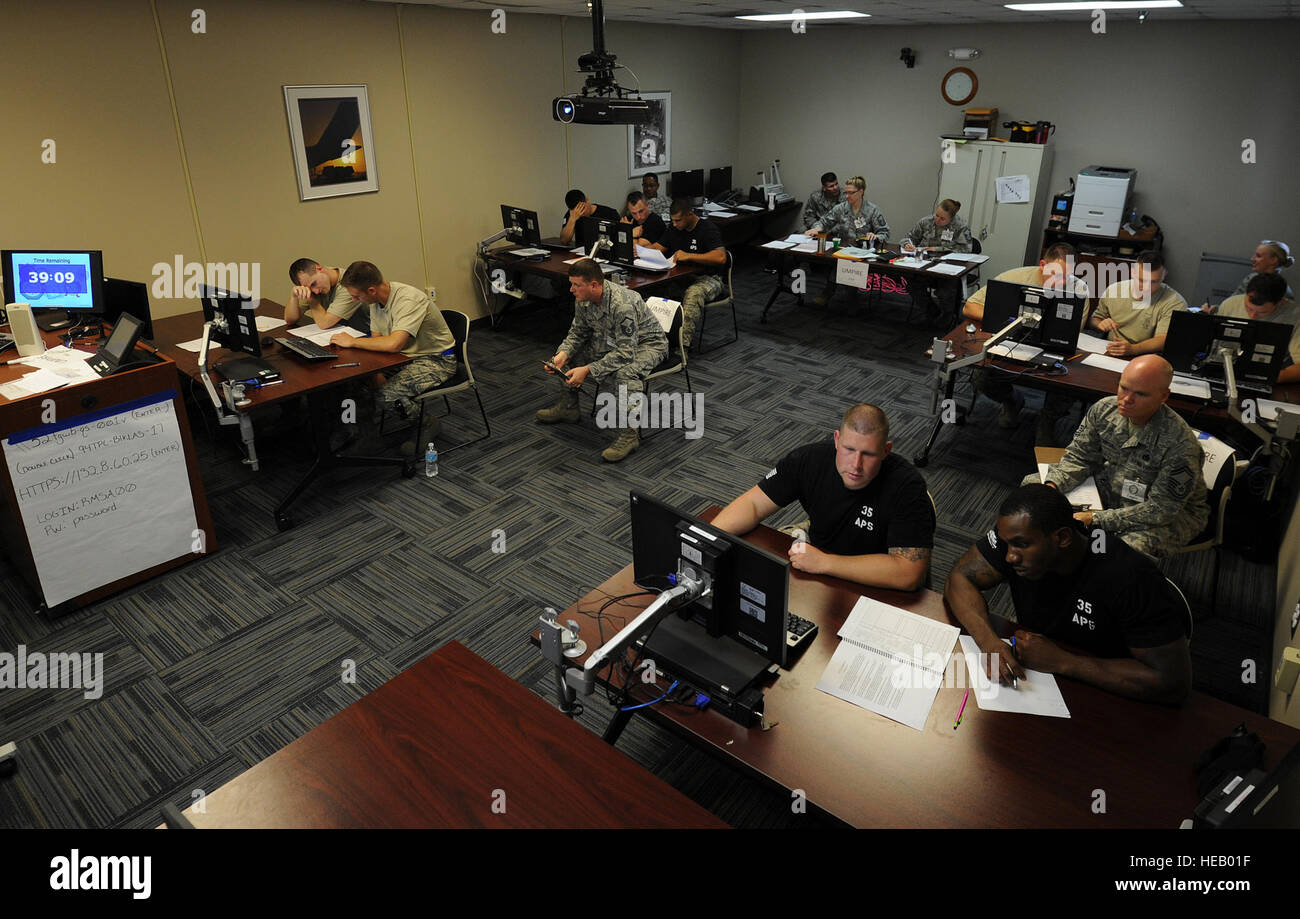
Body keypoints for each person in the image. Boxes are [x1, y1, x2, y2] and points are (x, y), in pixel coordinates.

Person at [944, 484, 1191, 705]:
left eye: (1021, 545)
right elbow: (960, 577)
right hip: (1040, 685)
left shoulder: (1128, 576)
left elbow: (1171, 682)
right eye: (1006, 544)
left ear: (1062, 538)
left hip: (1111, 697)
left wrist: (1064, 662)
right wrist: (989, 642)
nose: (1010, 556)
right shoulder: (1014, 537)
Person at [712, 404, 934, 591]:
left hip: (874, 578)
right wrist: (706, 536)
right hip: (819, 558)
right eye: (848, 449)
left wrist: (825, 563)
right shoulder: (809, 460)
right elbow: (753, 504)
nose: (856, 465)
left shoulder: (907, 486)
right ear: (837, 439)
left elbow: (908, 573)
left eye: (868, 454)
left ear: (886, 450)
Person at [1032, 354, 1208, 560]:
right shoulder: (1104, 410)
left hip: (1169, 515)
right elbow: (1080, 457)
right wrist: (1053, 486)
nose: (1126, 400)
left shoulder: (1180, 445)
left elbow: (1161, 510)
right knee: (1034, 489)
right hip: (1114, 485)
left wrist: (1096, 519)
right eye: (1123, 388)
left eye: (1140, 394)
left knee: (1120, 552)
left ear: (1163, 396)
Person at [536, 258, 667, 463]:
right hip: (612, 339)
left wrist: (587, 369)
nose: (571, 289)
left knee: (626, 373)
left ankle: (629, 435)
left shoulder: (621, 304)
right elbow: (578, 333)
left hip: (647, 344)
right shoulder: (583, 298)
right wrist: (562, 355)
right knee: (567, 357)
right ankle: (569, 408)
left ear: (594, 285)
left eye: (576, 285)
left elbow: (626, 353)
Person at [331, 261, 457, 455]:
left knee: (386, 395)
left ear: (371, 290)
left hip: (436, 360)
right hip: (401, 357)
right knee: (352, 382)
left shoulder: (408, 300)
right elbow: (378, 340)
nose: (355, 300)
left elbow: (393, 344)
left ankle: (425, 423)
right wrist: (376, 370)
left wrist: (353, 342)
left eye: (356, 296)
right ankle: (362, 435)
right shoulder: (375, 301)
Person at [962, 243, 1092, 430]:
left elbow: (1072, 332)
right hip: (1012, 341)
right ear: (1042, 265)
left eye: (1067, 276)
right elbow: (969, 306)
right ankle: (1012, 402)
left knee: (1067, 385)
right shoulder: (1015, 278)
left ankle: (1046, 425)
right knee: (981, 378)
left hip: (1052, 348)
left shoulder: (1079, 289)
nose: (1062, 282)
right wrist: (1007, 322)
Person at [644, 199, 727, 349]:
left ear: (690, 214)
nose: (675, 224)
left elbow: (721, 257)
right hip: (681, 277)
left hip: (709, 279)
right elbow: (657, 248)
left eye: (678, 220)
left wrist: (689, 255)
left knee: (693, 294)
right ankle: (654, 341)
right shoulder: (674, 229)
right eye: (673, 220)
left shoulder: (707, 229)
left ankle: (682, 347)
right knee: (651, 291)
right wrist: (640, 250)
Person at [1087, 251, 1187, 358]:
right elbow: (1094, 319)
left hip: (1148, 356)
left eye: (1154, 282)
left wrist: (1133, 349)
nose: (1147, 287)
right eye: (1141, 280)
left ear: (1164, 276)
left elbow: (1163, 339)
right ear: (1133, 272)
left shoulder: (1175, 302)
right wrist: (1100, 324)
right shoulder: (1114, 290)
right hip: (1111, 349)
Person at [1212, 273, 1300, 383]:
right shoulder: (1230, 305)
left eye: (1262, 312)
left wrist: (1265, 380)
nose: (1252, 316)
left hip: (1271, 375)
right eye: (1248, 309)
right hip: (1227, 370)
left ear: (1280, 302)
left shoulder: (1295, 316)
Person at [905, 199, 973, 321]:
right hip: (925, 266)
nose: (937, 219)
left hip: (948, 269)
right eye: (937, 215)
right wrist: (907, 244)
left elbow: (966, 249)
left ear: (951, 218)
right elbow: (909, 238)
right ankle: (932, 312)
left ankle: (946, 319)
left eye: (942, 219)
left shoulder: (961, 226)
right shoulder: (926, 222)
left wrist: (938, 248)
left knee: (946, 291)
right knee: (912, 284)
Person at [284, 259, 369, 334]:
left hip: (366, 336)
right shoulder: (313, 284)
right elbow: (290, 320)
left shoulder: (349, 285)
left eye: (314, 284)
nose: (315, 291)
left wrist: (312, 300)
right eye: (309, 289)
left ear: (319, 268)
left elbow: (324, 324)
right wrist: (293, 296)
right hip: (339, 335)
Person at [807, 175, 889, 244]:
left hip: (864, 250)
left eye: (851, 193)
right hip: (844, 248)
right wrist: (816, 229)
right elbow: (824, 223)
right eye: (846, 192)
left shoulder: (872, 210)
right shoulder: (840, 208)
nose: (847, 196)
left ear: (861, 192)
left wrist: (876, 237)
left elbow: (885, 233)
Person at [1230, 240, 1294, 299]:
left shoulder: (1282, 292)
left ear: (1273, 260)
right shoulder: (1250, 279)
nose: (1252, 259)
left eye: (1258, 256)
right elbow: (1232, 303)